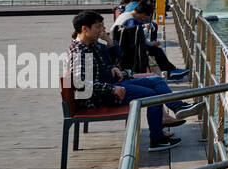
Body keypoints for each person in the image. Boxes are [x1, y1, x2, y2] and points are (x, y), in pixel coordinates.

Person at [67, 12, 204, 151]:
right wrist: (112, 89)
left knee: (156, 80)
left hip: (112, 85)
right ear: (85, 29)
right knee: (152, 96)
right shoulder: (80, 53)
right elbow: (82, 84)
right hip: (101, 97)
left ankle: (178, 107)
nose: (102, 30)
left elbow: (114, 59)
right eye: (98, 27)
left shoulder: (91, 45)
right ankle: (157, 140)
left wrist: (111, 61)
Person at [114, 0, 189, 81]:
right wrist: (150, 44)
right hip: (128, 50)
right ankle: (171, 71)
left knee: (155, 50)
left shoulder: (125, 15)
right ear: (143, 14)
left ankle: (171, 71)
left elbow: (134, 36)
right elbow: (137, 38)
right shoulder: (132, 20)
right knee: (156, 51)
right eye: (145, 17)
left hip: (122, 46)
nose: (144, 19)